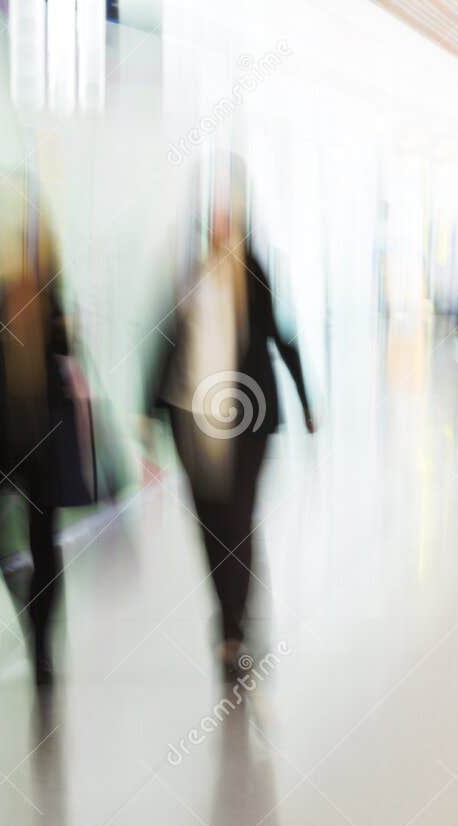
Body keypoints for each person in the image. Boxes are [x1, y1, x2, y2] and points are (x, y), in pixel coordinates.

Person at [148, 167, 316, 679]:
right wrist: (146, 410)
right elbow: (165, 344)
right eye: (215, 213)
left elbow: (281, 339)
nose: (221, 222)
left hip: (249, 421)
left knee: (237, 520)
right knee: (210, 524)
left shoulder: (254, 275)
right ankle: (228, 609)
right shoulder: (190, 275)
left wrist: (306, 401)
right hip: (192, 423)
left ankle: (231, 629)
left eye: (229, 212)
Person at [0, 204, 81, 686]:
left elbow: (66, 370)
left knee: (43, 544)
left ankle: (42, 640)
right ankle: (31, 610)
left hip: (42, 449)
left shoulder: (52, 310)